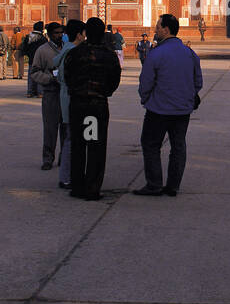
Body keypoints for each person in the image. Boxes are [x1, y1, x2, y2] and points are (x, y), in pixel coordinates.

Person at [133, 13, 203, 197]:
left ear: (165, 29)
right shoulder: (189, 53)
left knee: (150, 144)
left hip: (158, 109)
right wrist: (187, 96)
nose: (155, 30)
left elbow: (146, 82)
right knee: (178, 146)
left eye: (157, 26)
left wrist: (146, 99)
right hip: (182, 109)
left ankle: (154, 184)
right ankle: (173, 185)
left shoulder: (157, 53)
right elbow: (198, 83)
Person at [63, 17, 122, 201]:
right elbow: (114, 80)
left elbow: (67, 77)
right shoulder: (109, 55)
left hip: (78, 104)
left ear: (86, 33)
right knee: (95, 145)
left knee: (78, 145)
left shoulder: (75, 53)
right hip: (96, 106)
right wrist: (104, 92)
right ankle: (92, 188)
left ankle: (77, 186)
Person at [54, 18, 86, 191]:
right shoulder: (73, 51)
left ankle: (68, 175)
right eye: (84, 32)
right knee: (72, 140)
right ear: (79, 34)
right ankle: (66, 177)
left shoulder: (67, 49)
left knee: (71, 138)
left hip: (66, 98)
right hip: (72, 100)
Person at [31, 23, 66, 171]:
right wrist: (49, 78)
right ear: (50, 34)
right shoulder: (42, 50)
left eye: (61, 33)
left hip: (65, 93)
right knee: (50, 129)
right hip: (51, 93)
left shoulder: (67, 48)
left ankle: (64, 158)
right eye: (56, 33)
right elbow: (34, 72)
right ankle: (47, 158)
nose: (59, 35)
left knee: (66, 128)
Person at [23, 22, 45, 96]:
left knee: (31, 76)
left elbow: (25, 49)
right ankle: (40, 92)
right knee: (39, 76)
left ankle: (30, 91)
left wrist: (29, 54)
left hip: (31, 59)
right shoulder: (42, 38)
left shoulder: (28, 37)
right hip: (40, 60)